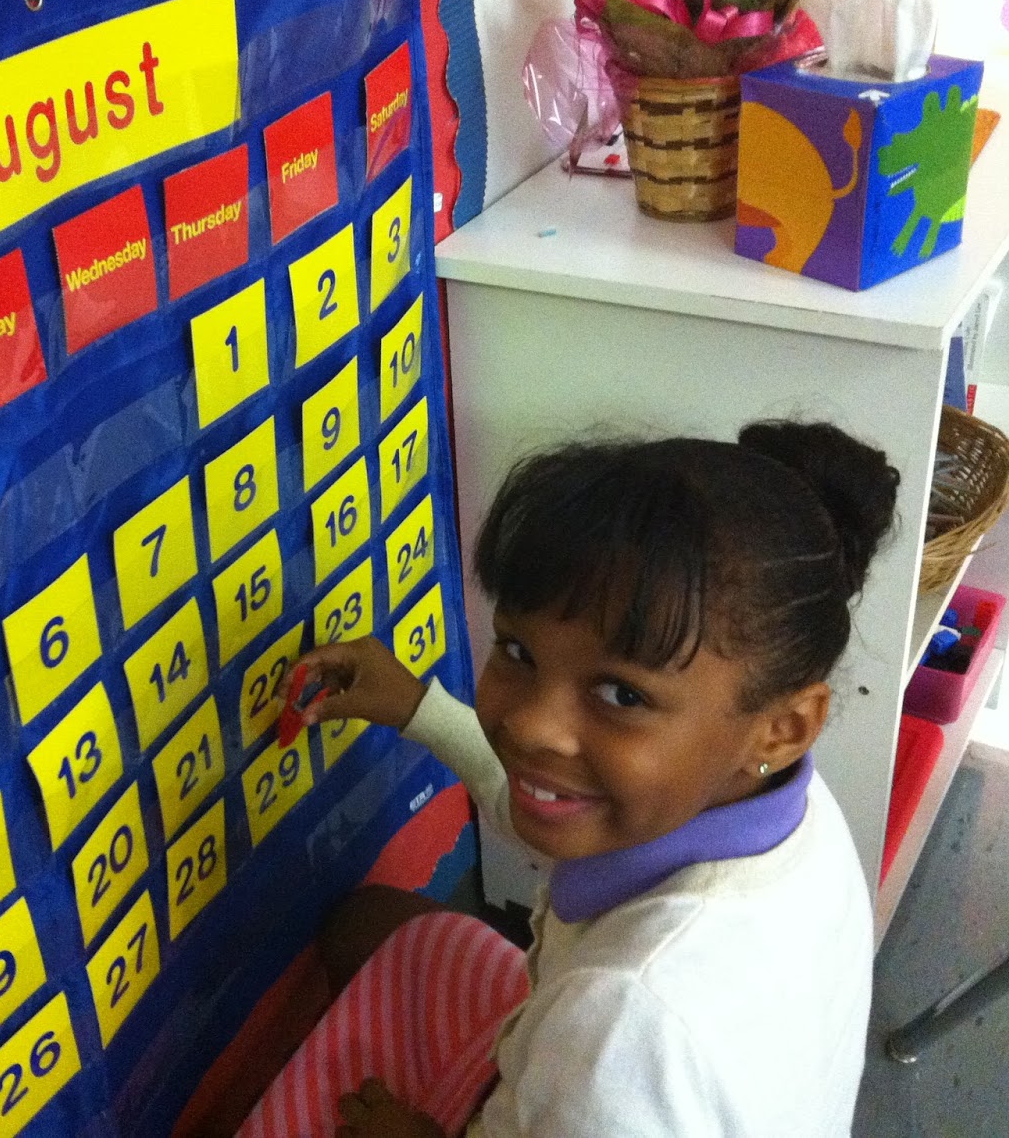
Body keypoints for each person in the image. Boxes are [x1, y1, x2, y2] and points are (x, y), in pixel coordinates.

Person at [236, 421, 900, 1138]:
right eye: (517, 649)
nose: (529, 727)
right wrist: (416, 706)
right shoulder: (777, 795)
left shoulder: (627, 1027)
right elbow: (542, 797)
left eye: (622, 695)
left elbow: (617, 1041)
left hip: (583, 1069)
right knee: (363, 923)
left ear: (785, 725)